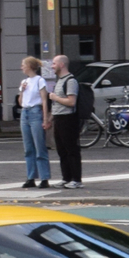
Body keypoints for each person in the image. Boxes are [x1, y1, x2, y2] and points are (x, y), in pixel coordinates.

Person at [47, 53, 83, 189]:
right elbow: (57, 106)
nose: (52, 66)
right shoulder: (59, 81)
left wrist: (55, 98)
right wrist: (50, 119)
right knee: (61, 150)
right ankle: (66, 177)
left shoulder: (71, 81)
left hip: (68, 119)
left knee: (71, 149)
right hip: (59, 119)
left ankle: (76, 179)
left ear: (61, 65)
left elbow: (71, 101)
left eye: (54, 63)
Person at [16, 56, 51, 189]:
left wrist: (45, 117)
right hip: (25, 112)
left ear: (30, 66)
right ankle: (31, 177)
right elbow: (20, 102)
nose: (22, 67)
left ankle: (44, 178)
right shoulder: (24, 81)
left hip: (36, 112)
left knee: (39, 146)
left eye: (23, 65)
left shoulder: (39, 81)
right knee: (28, 148)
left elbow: (44, 100)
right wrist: (22, 91)